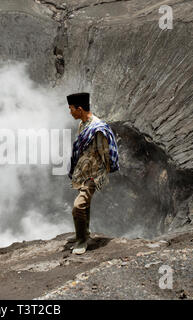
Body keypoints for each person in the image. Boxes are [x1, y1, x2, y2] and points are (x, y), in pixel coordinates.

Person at [66, 92, 119, 255]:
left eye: (71, 109)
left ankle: (82, 241)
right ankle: (84, 234)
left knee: (78, 206)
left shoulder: (98, 129)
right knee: (85, 206)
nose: (70, 112)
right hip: (82, 171)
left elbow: (106, 154)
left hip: (92, 174)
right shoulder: (83, 124)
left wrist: (98, 175)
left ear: (79, 109)